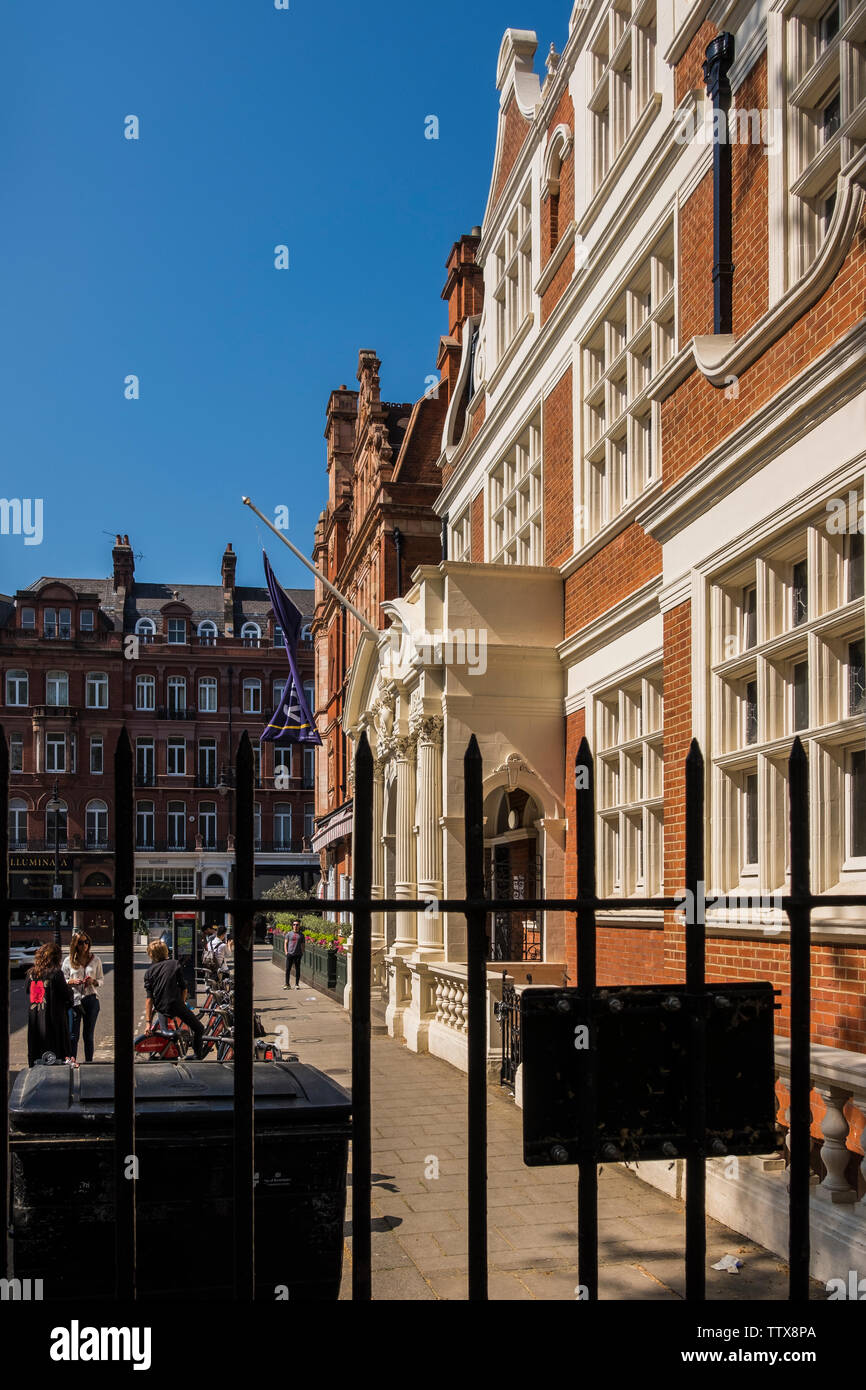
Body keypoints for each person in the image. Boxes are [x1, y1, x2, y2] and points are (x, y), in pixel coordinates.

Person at [143, 940, 205, 1059]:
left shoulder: (149, 972)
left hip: (161, 1007)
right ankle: (197, 1055)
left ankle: (170, 1036)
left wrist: (148, 1023)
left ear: (152, 955)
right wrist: (182, 1004)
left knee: (165, 1031)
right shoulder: (175, 964)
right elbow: (184, 988)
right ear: (165, 951)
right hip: (176, 1004)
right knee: (199, 1028)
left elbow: (149, 999)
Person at [26, 943, 76, 1067]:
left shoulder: (31, 973)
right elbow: (66, 996)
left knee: (36, 1050)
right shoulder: (56, 973)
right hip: (53, 1019)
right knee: (56, 1052)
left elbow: (28, 991)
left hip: (36, 1019)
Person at [62, 931, 104, 1062]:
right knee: (73, 1035)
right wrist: (70, 981)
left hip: (91, 999)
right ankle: (72, 1061)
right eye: (81, 942)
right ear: (75, 944)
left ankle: (89, 1062)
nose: (84, 945)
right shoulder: (68, 961)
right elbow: (62, 979)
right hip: (75, 1000)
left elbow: (101, 980)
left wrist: (94, 981)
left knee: (88, 1035)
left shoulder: (96, 959)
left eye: (86, 942)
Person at [284, 919, 305, 990]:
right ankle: (287, 984)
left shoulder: (301, 935)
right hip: (290, 954)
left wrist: (302, 952)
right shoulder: (289, 934)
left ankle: (297, 984)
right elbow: (285, 943)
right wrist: (286, 952)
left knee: (297, 969)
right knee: (287, 969)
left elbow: (303, 945)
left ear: (299, 926)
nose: (295, 926)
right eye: (294, 924)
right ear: (292, 926)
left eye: (297, 925)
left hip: (298, 954)